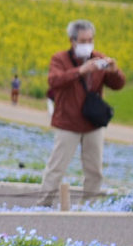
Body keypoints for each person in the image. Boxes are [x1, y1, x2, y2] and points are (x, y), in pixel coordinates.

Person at [39, 19, 124, 207]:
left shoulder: (99, 59)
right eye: (83, 40)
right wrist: (80, 71)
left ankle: (89, 207)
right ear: (73, 40)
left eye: (90, 40)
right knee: (56, 168)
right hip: (68, 123)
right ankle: (42, 204)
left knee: (94, 170)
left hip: (93, 123)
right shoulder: (60, 59)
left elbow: (118, 85)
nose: (88, 44)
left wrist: (114, 71)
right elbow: (54, 81)